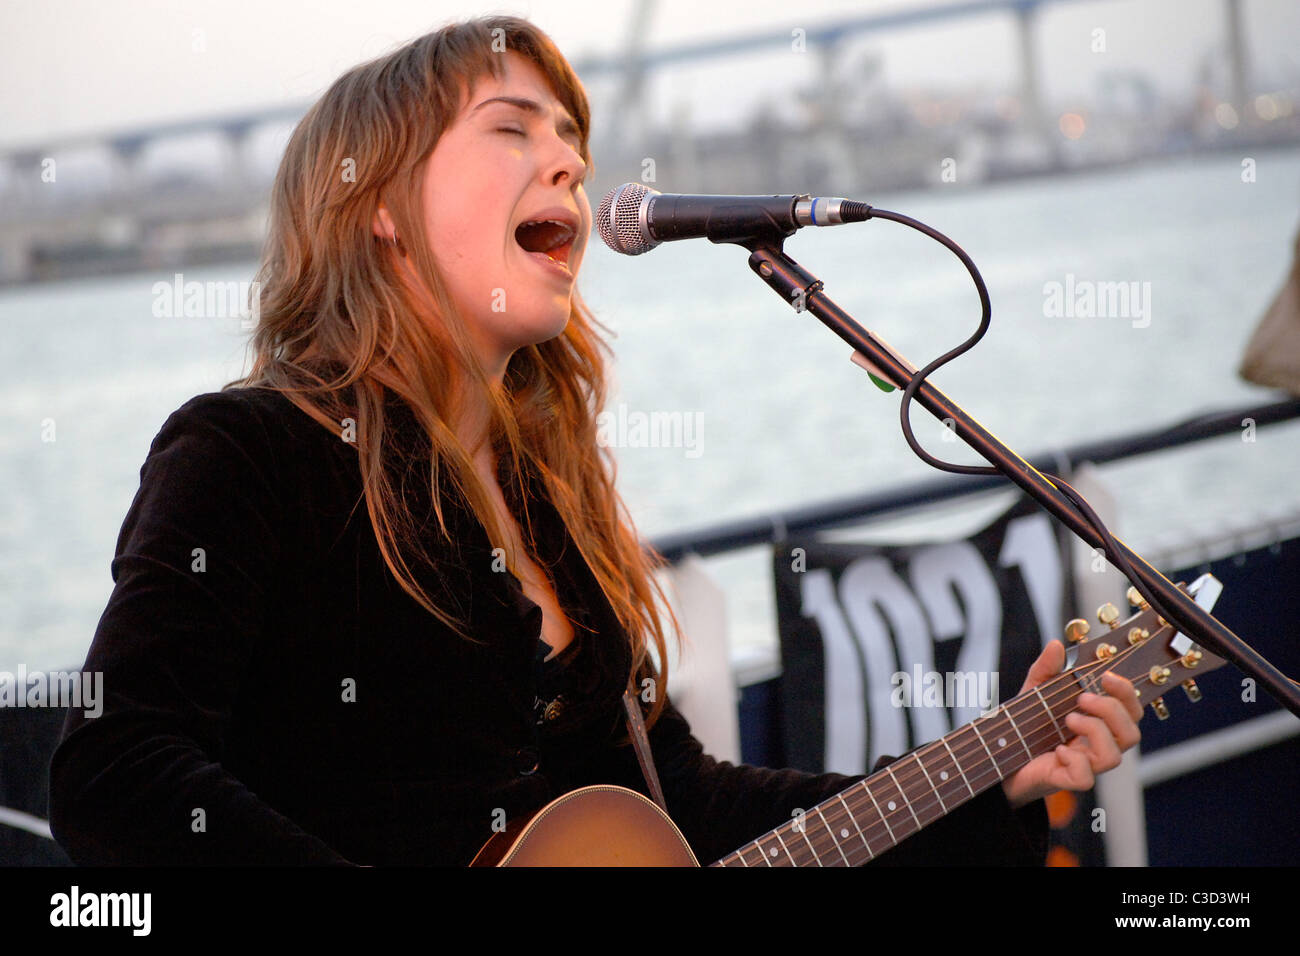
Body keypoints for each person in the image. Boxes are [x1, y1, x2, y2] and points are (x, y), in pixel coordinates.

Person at [47, 15, 1142, 867]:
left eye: (572, 136)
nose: (568, 160)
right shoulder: (250, 454)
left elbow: (688, 806)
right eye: (515, 128)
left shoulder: (540, 499)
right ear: (377, 203)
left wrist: (989, 770)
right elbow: (118, 768)